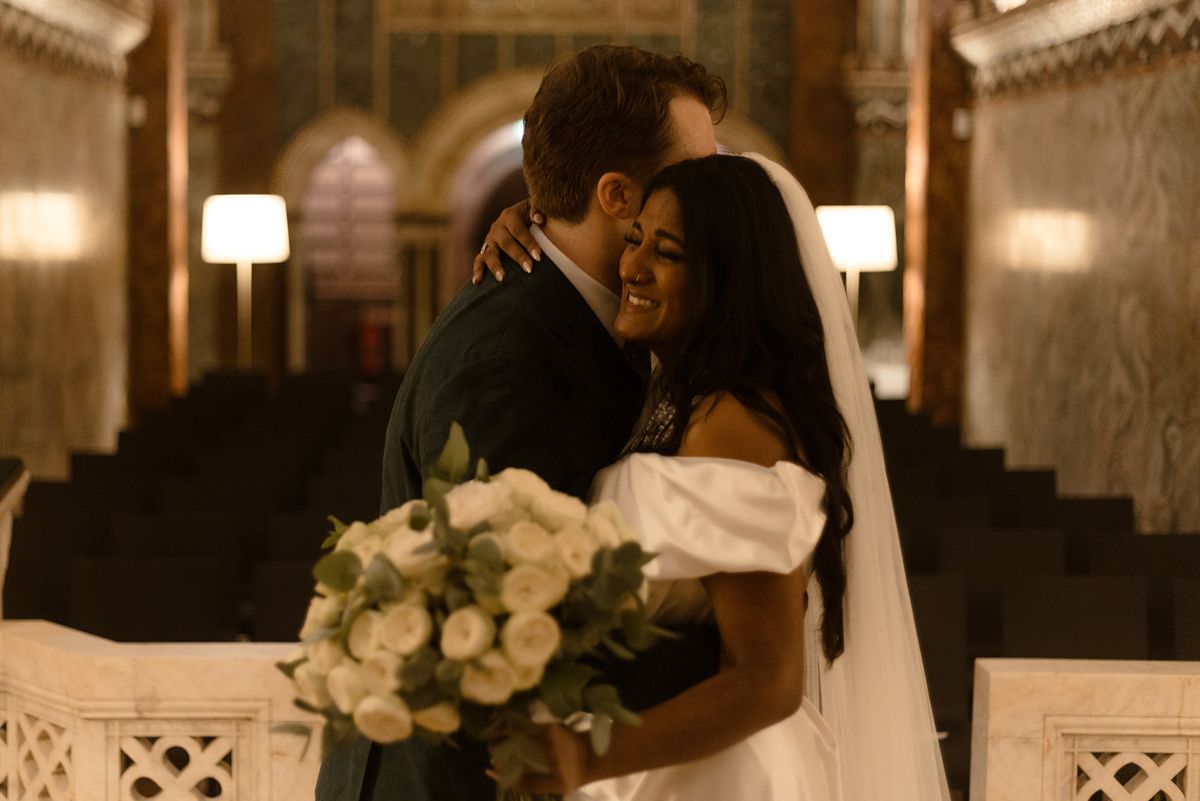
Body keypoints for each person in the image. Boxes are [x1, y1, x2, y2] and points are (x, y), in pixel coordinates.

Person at [314, 45, 727, 801]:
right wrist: (747, 664)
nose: (720, 193)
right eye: (697, 173)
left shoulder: (608, 305)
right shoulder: (506, 354)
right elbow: (515, 625)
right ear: (616, 195)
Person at [496, 154, 952, 801]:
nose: (633, 267)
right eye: (634, 241)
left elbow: (767, 678)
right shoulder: (680, 393)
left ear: (727, 278)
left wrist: (586, 756)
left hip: (719, 774)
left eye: (669, 253)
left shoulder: (731, 420)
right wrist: (527, 232)